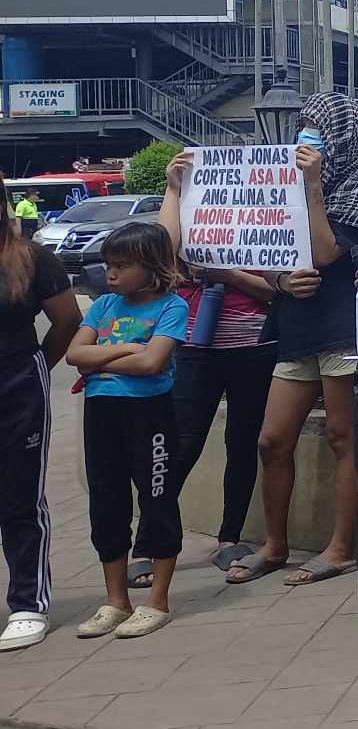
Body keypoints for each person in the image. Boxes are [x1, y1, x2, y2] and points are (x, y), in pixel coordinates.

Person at [228, 93, 358, 586]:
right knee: (272, 439)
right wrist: (281, 282)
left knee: (343, 437)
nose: (306, 135)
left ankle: (342, 546)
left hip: (343, 325)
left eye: (316, 127)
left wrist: (314, 186)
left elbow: (325, 253)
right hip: (296, 326)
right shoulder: (280, 186)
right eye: (303, 126)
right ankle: (275, 544)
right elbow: (274, 254)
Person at [152, 151, 276, 584]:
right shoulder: (187, 221)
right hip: (193, 347)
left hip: (253, 347)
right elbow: (161, 250)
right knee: (181, 444)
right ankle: (153, 542)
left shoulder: (267, 225)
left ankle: (230, 537)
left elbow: (278, 291)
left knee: (242, 443)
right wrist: (173, 186)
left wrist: (230, 276)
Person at [65, 222, 186, 639]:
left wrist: (98, 359)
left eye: (121, 266)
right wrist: (127, 348)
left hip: (149, 415)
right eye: (108, 266)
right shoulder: (103, 306)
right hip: (102, 413)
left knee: (157, 500)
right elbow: (73, 355)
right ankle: (116, 600)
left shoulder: (171, 307)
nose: (111, 275)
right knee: (107, 502)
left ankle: (159, 601)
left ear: (151, 266)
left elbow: (153, 364)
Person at [0, 180, 80, 654]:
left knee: (20, 496)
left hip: (16, 384)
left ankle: (28, 602)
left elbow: (67, 320)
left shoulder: (30, 258)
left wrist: (36, 370)